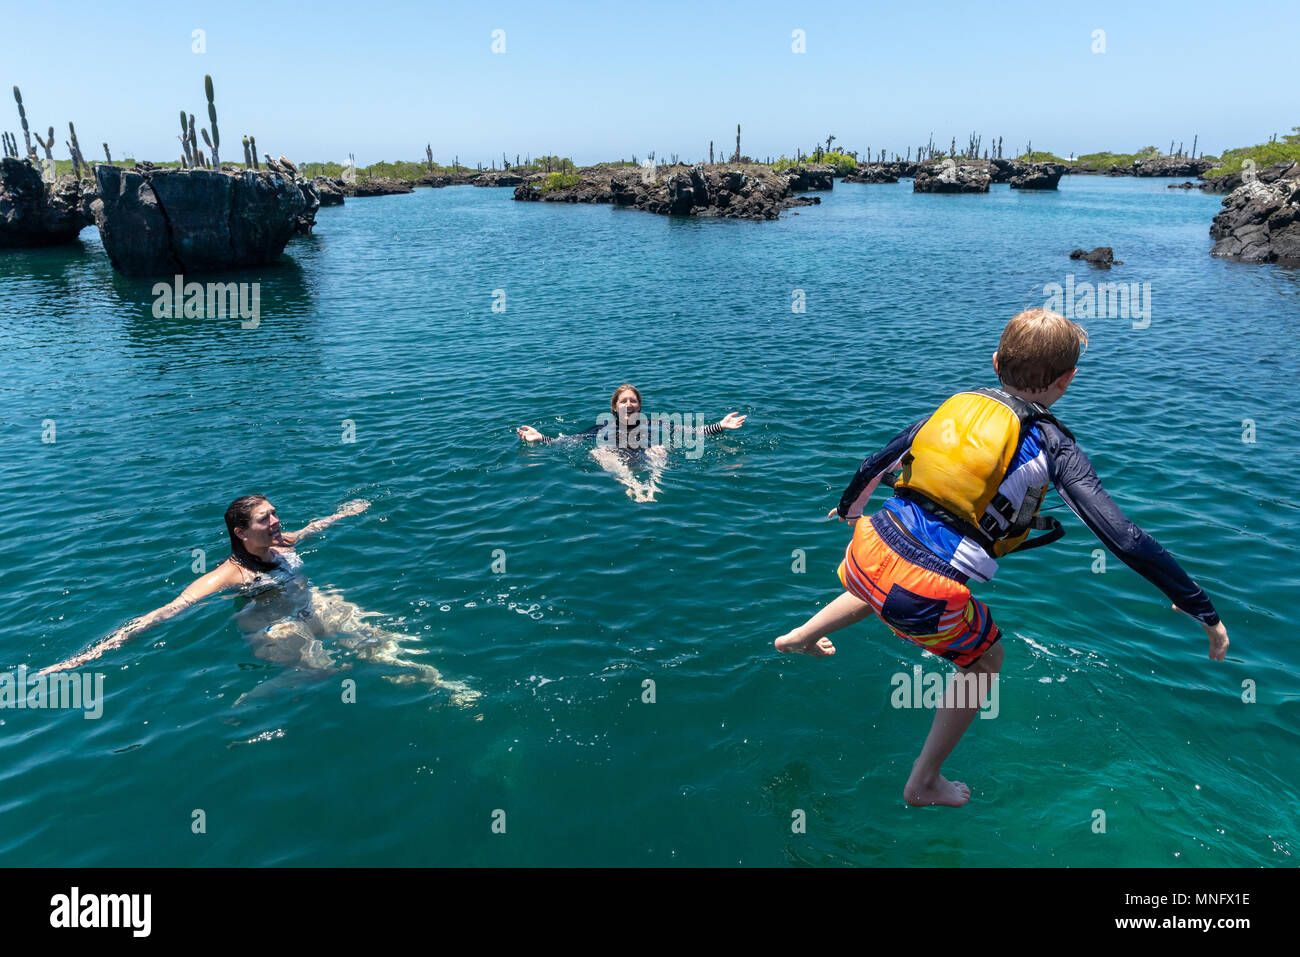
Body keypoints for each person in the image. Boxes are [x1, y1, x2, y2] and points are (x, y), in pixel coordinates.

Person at [775, 308, 1229, 808]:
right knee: (985, 660)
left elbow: (874, 463)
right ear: (1067, 380)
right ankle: (924, 781)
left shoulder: (953, 408)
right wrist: (1201, 609)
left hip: (867, 548)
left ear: (995, 362)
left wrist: (849, 510)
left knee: (886, 577)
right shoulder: (1054, 445)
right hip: (924, 591)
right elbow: (1124, 537)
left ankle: (800, 636)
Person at [37, 495, 478, 706]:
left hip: (313, 604)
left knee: (375, 640)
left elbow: (309, 530)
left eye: (274, 513)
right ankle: (253, 696)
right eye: (266, 518)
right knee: (324, 670)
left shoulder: (281, 544)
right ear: (241, 532)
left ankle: (443, 685)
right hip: (273, 626)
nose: (276, 521)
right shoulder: (228, 574)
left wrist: (344, 513)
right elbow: (168, 611)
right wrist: (84, 658)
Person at [516, 384, 747, 501]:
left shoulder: (655, 423)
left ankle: (653, 486)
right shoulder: (601, 428)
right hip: (618, 463)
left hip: (648, 459)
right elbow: (568, 441)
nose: (629, 404)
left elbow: (691, 431)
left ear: (639, 406)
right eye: (623, 401)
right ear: (614, 407)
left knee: (660, 447)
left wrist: (720, 425)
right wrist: (541, 438)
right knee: (599, 453)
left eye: (633, 401)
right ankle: (633, 486)